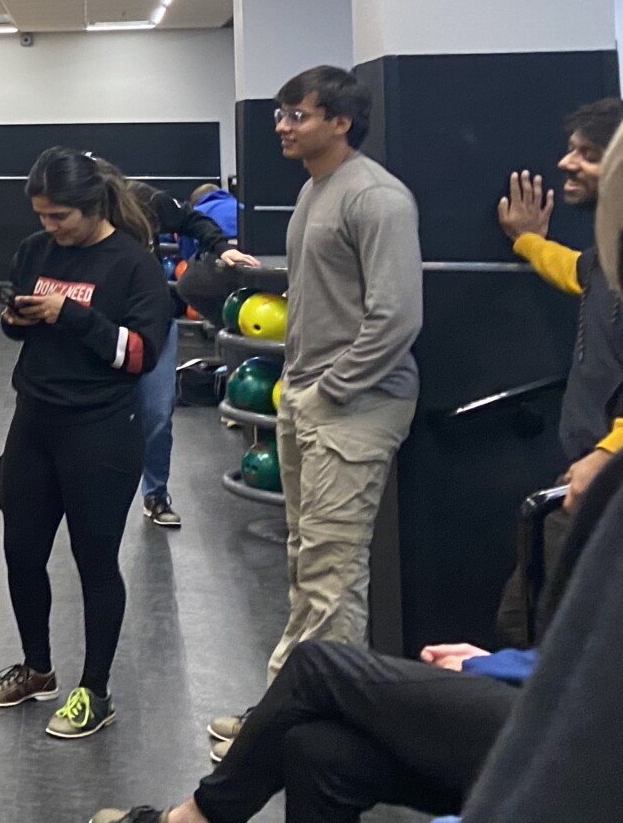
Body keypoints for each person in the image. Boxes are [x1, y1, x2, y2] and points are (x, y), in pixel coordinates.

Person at [211, 67, 422, 759]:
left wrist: (332, 389)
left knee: (333, 574)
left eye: (296, 114)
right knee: (307, 563)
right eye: (280, 113)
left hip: (356, 405)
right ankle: (289, 706)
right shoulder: (313, 190)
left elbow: (396, 317)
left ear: (340, 121)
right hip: (310, 398)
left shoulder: (378, 198)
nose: (281, 125)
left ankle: (307, 730)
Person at [0, 149, 169, 741]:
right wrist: (20, 317)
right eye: (41, 216)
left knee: (94, 562)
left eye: (60, 216)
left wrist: (70, 315)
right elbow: (22, 329)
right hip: (34, 422)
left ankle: (96, 689)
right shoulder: (36, 252)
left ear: (92, 207)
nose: (49, 228)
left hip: (101, 431)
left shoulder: (134, 266)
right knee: (21, 551)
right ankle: (37, 669)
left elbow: (138, 355)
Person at [86, 634, 529, 823]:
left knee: (314, 667)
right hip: (540, 689)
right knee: (318, 751)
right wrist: (493, 662)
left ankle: (195, 818)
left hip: (556, 727)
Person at [492, 97, 623, 640]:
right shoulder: (611, 252)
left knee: (567, 639)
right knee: (523, 622)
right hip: (589, 476)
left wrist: (606, 453)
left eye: (589, 155)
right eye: (572, 150)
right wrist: (528, 241)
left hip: (612, 477)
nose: (568, 163)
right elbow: (578, 274)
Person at [133, 180, 257, 529]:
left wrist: (220, 247)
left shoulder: (142, 200)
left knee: (157, 415)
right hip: (100, 325)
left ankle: (155, 494)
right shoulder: (66, 230)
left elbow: (194, 223)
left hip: (151, 322)